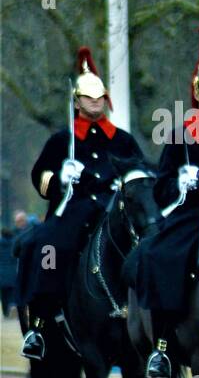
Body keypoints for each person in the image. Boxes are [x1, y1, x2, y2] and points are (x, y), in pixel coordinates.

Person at [17, 47, 145, 360]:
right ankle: (41, 321)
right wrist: (61, 177)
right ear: (77, 102)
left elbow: (139, 172)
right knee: (47, 246)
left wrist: (126, 182)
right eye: (89, 99)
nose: (95, 103)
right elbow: (40, 175)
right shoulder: (63, 140)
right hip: (74, 209)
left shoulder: (122, 139)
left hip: (111, 207)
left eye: (100, 98)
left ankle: (158, 328)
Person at [128, 24, 199, 378]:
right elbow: (159, 189)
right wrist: (179, 182)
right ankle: (161, 345)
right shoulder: (180, 135)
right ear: (198, 92)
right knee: (160, 255)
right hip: (191, 213)